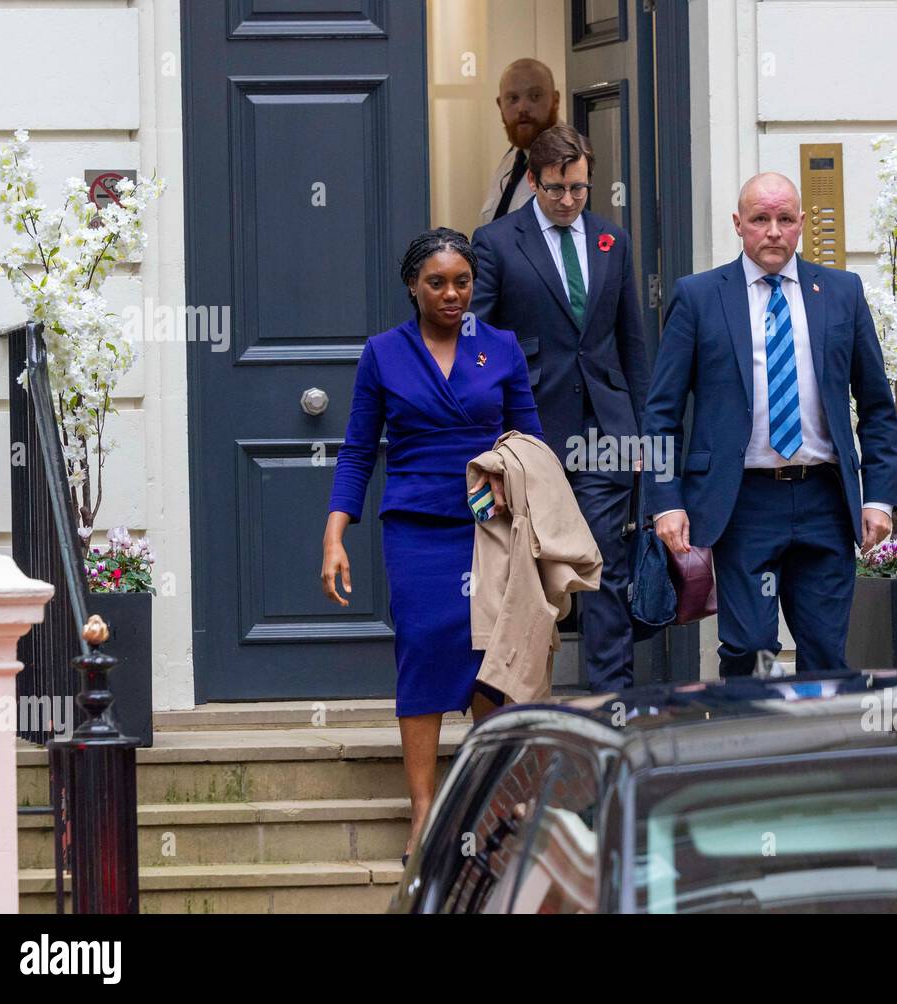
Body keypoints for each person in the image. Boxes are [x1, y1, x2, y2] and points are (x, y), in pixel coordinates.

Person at [321, 228, 543, 858]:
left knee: (493, 658)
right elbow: (358, 450)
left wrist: (512, 479)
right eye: (437, 283)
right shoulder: (383, 354)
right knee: (422, 647)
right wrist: (335, 533)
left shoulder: (499, 347)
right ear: (413, 287)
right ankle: (423, 810)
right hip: (417, 527)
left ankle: (496, 801)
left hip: (490, 526)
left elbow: (532, 444)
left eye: (462, 282)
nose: (452, 294)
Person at [643, 173, 897, 677]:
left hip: (825, 499)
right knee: (750, 648)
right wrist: (666, 501)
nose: (774, 231)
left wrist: (878, 496)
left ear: (801, 223)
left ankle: (818, 731)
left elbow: (876, 405)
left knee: (826, 653)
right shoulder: (699, 297)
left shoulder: (842, 293)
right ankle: (750, 728)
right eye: (760, 219)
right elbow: (661, 412)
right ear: (738, 224)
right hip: (743, 502)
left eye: (785, 219)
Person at [470, 123, 649, 693]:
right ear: (533, 181)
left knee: (605, 567)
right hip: (532, 432)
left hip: (604, 430)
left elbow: (631, 343)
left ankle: (611, 704)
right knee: (529, 573)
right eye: (556, 188)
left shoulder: (612, 240)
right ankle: (525, 697)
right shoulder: (496, 242)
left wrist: (642, 434)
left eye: (579, 188)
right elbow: (478, 345)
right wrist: (489, 440)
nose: (568, 200)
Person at [479, 59, 561, 226]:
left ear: (555, 100)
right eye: (513, 98)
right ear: (500, 105)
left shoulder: (572, 159)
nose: (523, 107)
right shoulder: (509, 162)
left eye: (535, 96)